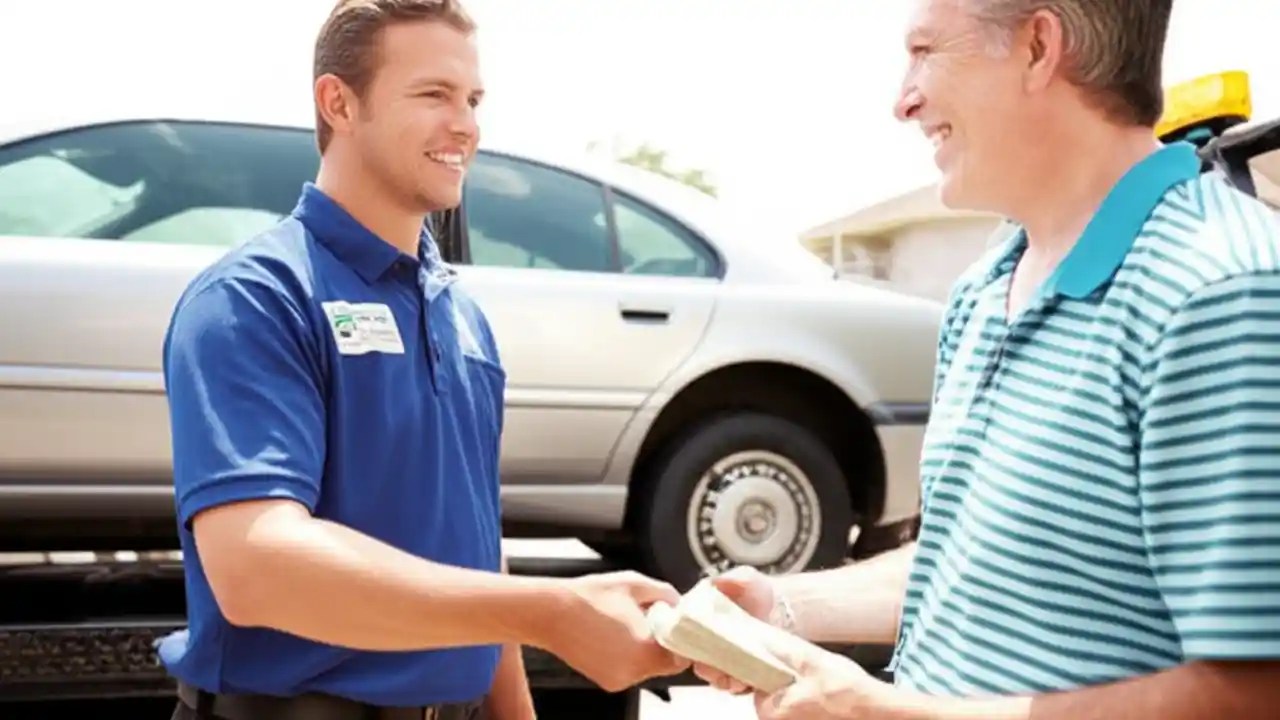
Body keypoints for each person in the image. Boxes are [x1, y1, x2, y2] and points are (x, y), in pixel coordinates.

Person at [696, 1, 1280, 718]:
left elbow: (1251, 693)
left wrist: (880, 711)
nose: (903, 99)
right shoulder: (983, 288)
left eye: (925, 51)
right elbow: (974, 557)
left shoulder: (1220, 292)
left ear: (1038, 47)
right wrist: (784, 604)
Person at [157, 1, 687, 718]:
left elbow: (476, 547)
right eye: (433, 94)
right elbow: (255, 569)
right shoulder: (255, 297)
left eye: (472, 99)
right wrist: (550, 609)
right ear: (337, 102)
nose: (465, 124)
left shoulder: (461, 315)